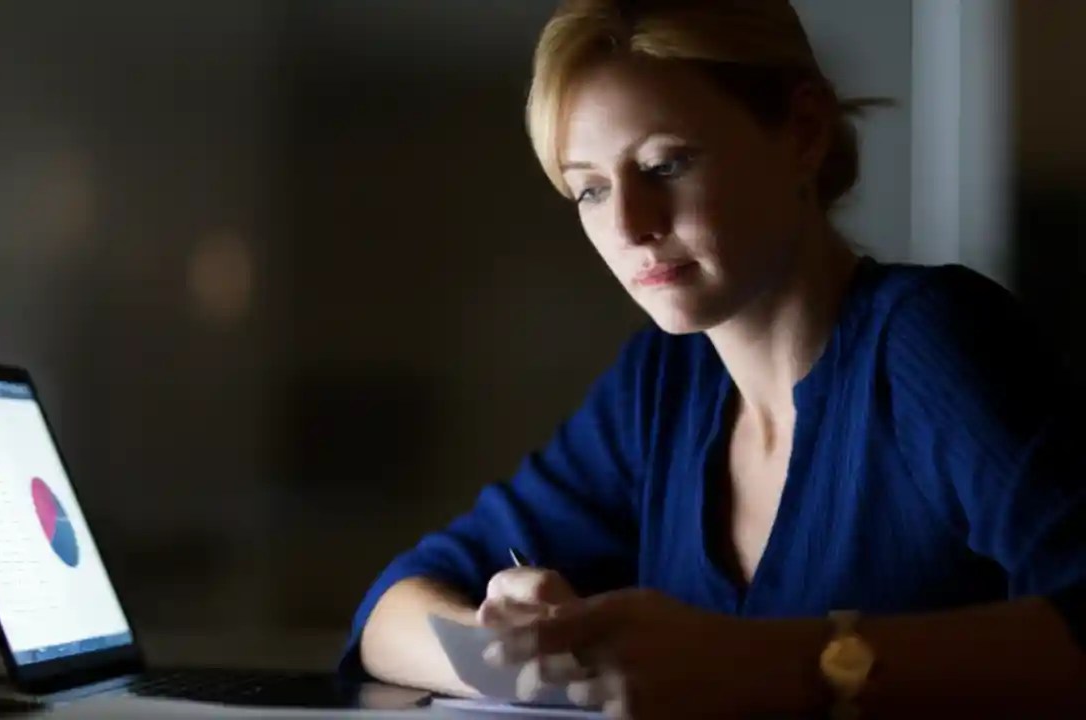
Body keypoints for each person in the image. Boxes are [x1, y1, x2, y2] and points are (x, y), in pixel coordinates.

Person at [342, 1, 1086, 717]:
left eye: (666, 167)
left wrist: (756, 664)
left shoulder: (928, 343)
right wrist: (513, 650)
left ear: (803, 131)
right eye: (591, 189)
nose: (630, 226)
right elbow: (392, 607)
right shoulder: (661, 390)